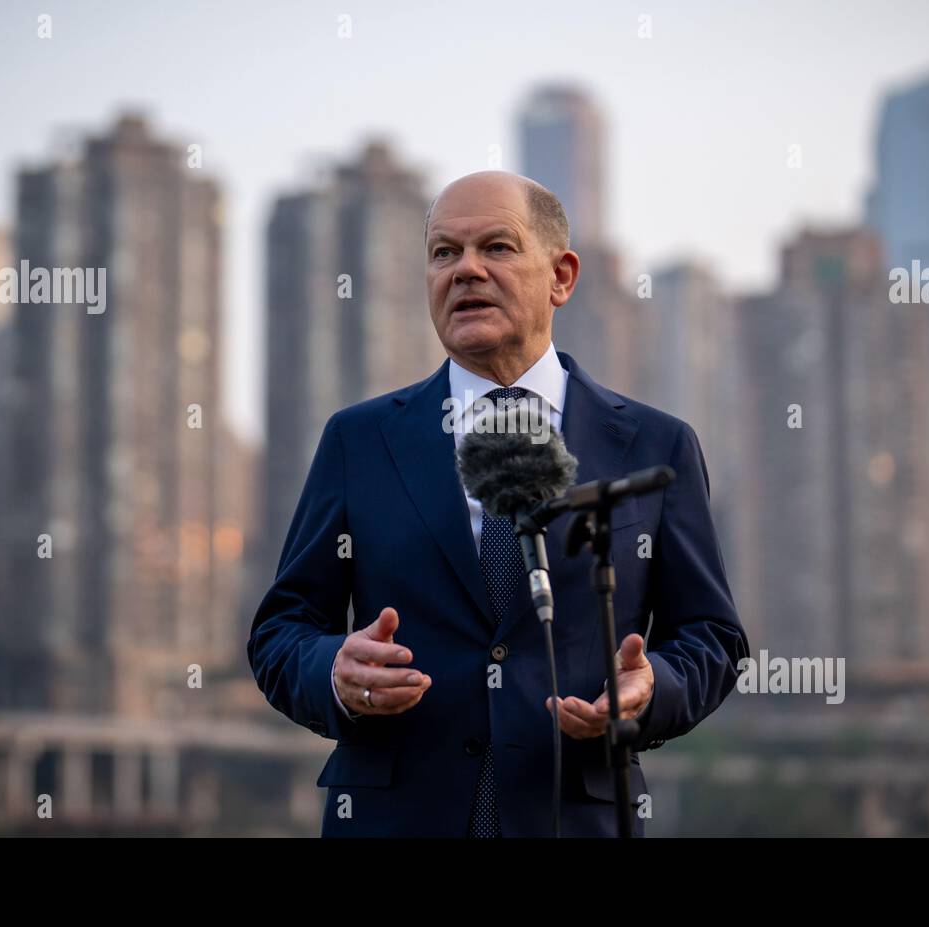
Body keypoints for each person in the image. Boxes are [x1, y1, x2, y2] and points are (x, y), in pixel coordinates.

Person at [248, 170, 748, 836]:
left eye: (498, 247)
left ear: (562, 276)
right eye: (444, 253)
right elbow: (282, 629)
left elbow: (712, 638)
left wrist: (651, 684)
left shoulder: (655, 447)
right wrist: (334, 670)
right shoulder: (360, 440)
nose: (466, 270)